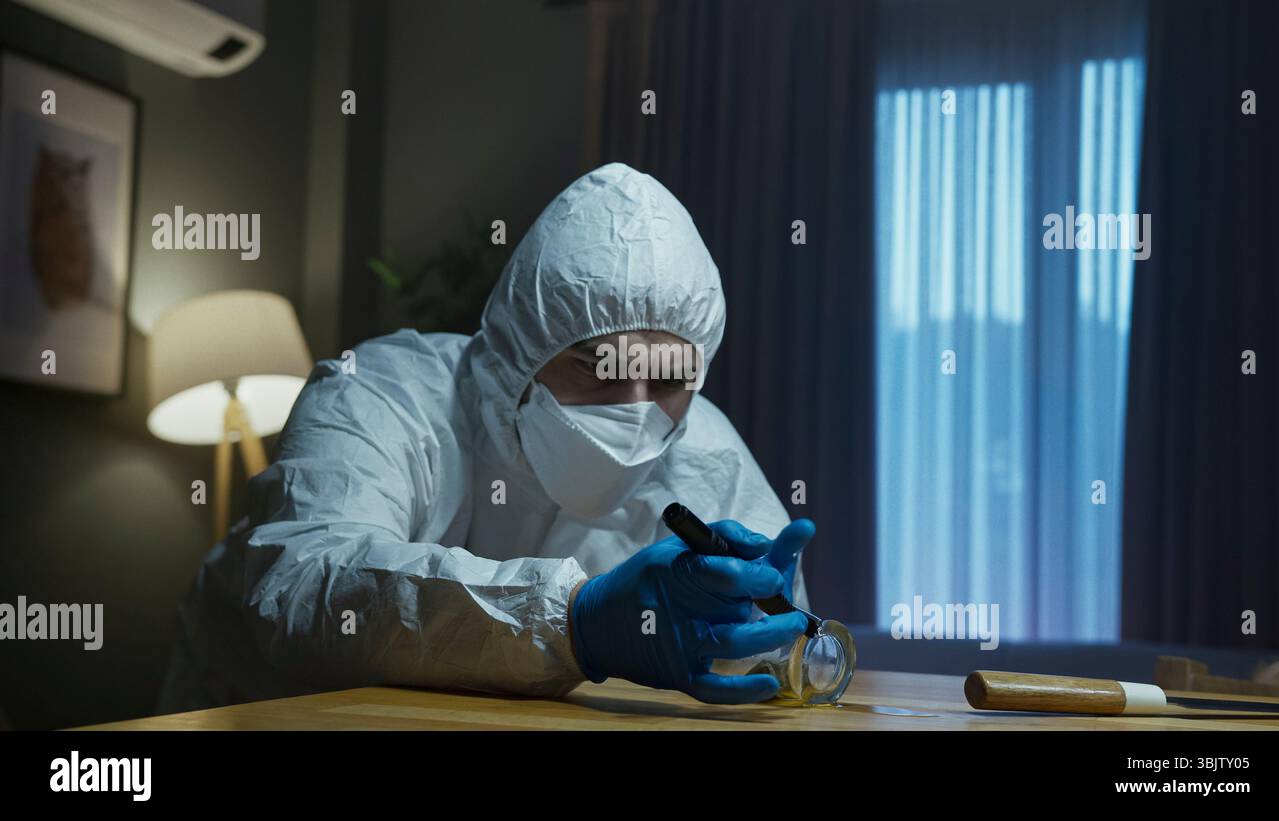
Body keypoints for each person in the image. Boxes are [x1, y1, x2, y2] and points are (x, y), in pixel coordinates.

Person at [158, 163, 813, 712]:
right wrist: (572, 618)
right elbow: (299, 587)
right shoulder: (382, 395)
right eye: (598, 367)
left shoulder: (701, 447)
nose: (638, 412)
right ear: (524, 343)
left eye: (668, 376)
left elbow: (778, 659)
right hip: (245, 710)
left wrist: (764, 625)